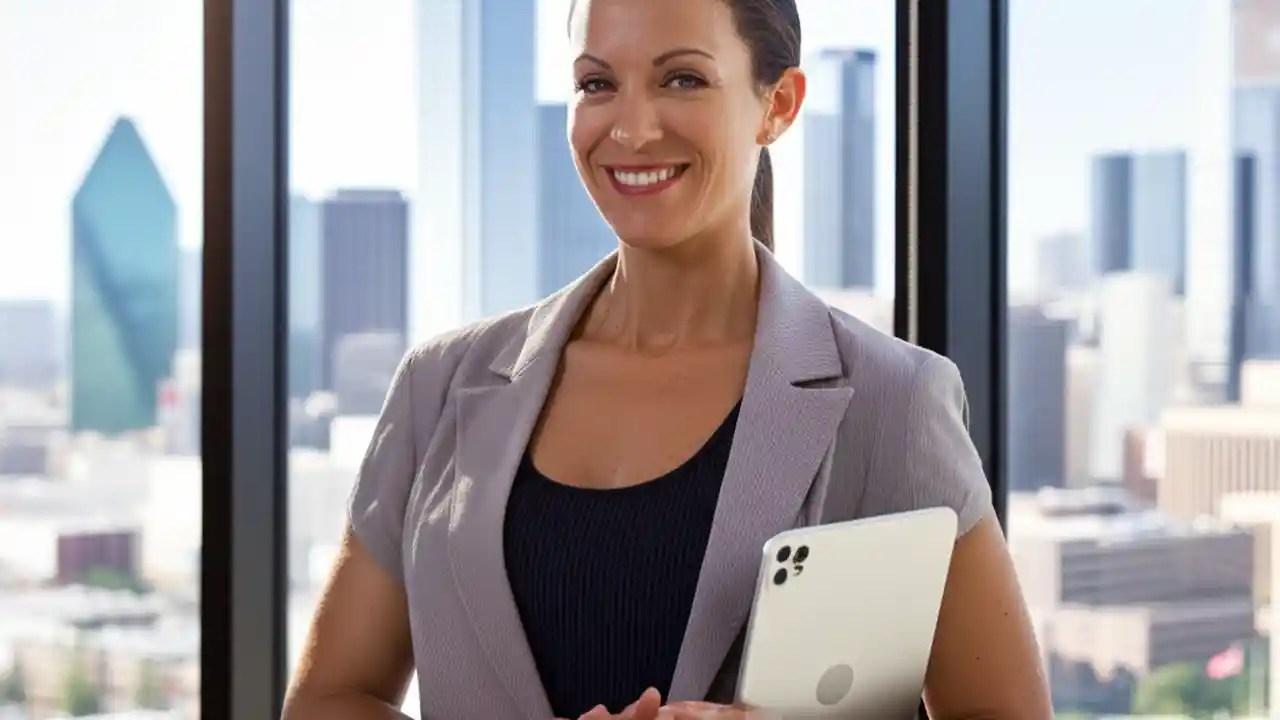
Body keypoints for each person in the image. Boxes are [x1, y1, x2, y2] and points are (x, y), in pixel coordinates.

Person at [282, 0, 1052, 718]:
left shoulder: (893, 400)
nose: (632, 127)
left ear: (777, 105)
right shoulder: (439, 385)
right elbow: (328, 700)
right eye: (596, 84)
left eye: (682, 78)